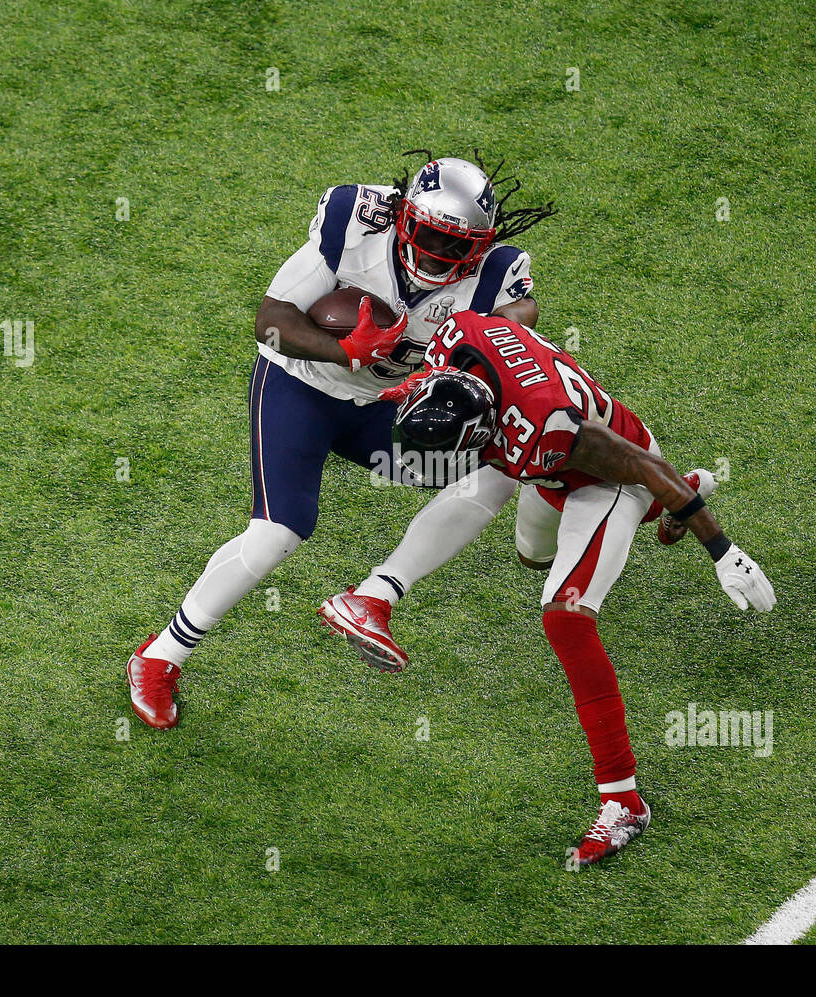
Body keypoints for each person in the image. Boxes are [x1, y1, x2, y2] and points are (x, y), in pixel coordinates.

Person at [325, 310, 776, 863]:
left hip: (612, 478)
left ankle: (623, 800)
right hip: (545, 461)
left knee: (565, 615)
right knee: (531, 557)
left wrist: (722, 551)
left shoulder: (545, 425)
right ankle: (677, 497)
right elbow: (509, 320)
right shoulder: (456, 337)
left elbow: (636, 462)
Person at [127, 155, 554, 728]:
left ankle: (378, 596)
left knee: (506, 460)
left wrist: (492, 336)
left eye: (456, 248)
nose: (437, 257)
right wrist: (344, 350)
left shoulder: (498, 275)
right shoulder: (357, 221)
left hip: (386, 408)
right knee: (279, 532)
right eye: (428, 237)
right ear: (404, 218)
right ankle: (158, 659)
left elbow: (517, 317)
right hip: (301, 387)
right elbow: (272, 320)